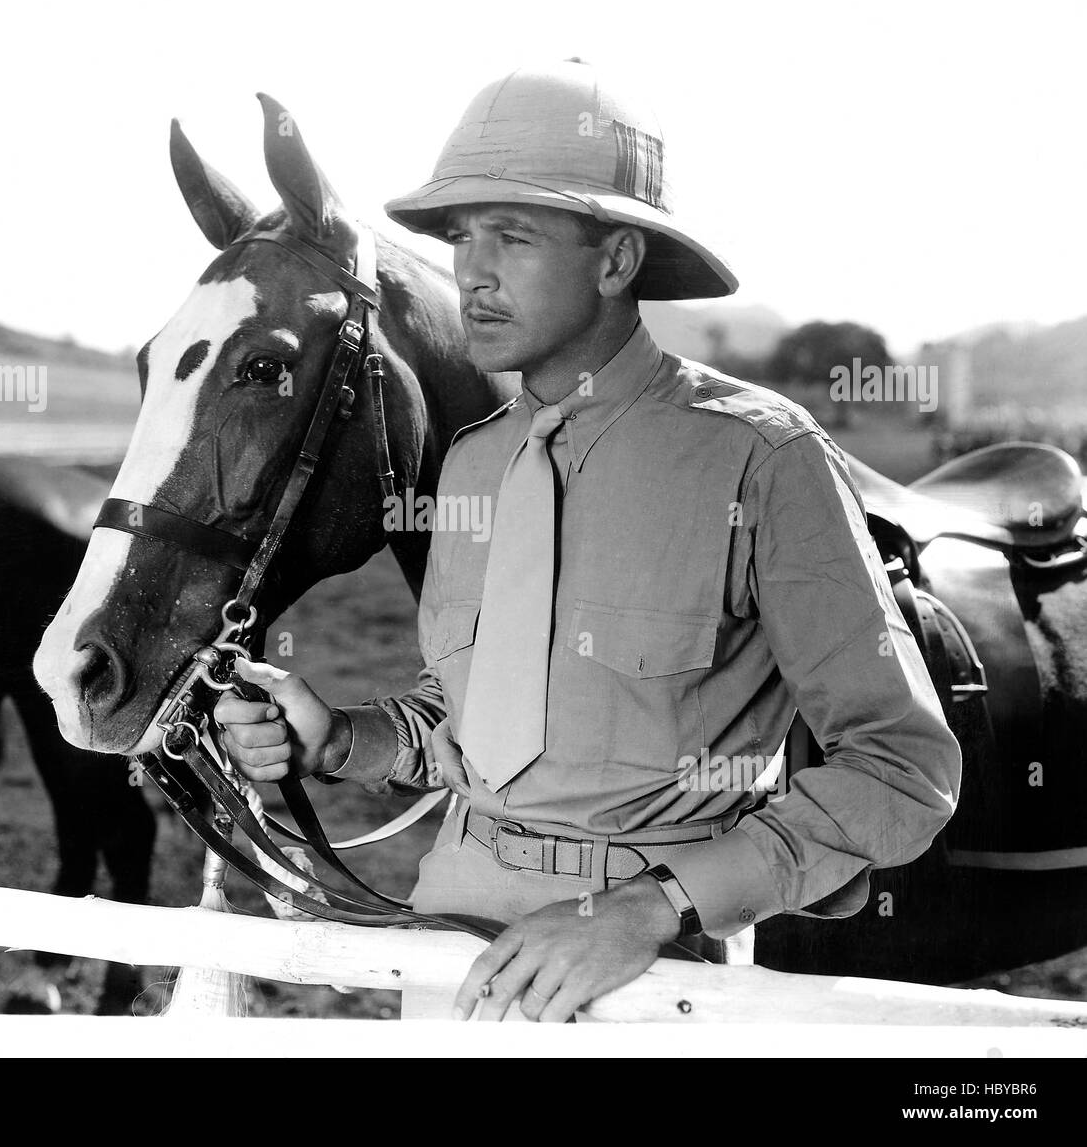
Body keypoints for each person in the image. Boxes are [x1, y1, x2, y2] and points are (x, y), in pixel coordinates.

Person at [215, 59, 961, 1022]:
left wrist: (650, 910)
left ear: (615, 263)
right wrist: (338, 739)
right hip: (448, 949)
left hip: (647, 978)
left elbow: (901, 769)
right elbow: (472, 725)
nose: (470, 271)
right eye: (460, 236)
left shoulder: (762, 459)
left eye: (512, 235)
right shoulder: (475, 466)